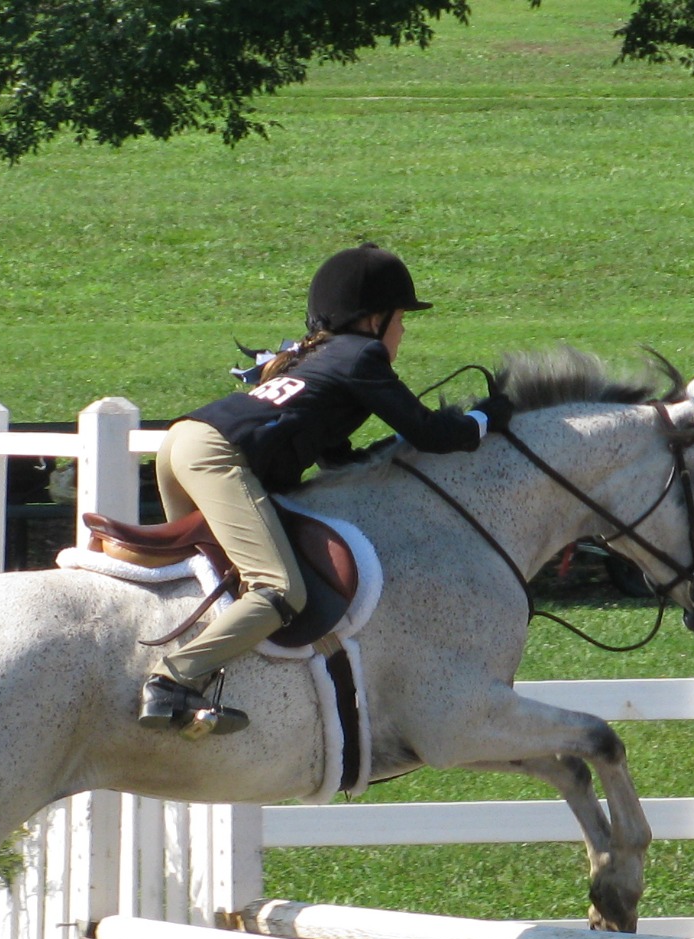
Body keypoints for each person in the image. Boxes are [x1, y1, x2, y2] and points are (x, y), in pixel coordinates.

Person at [139, 243, 514, 737]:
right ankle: (171, 683)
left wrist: (387, 451)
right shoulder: (362, 355)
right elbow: (432, 434)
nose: (403, 332)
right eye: (402, 319)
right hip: (217, 455)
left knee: (217, 576)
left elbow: (336, 458)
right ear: (375, 319)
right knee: (279, 591)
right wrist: (487, 417)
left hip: (184, 441)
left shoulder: (316, 357)